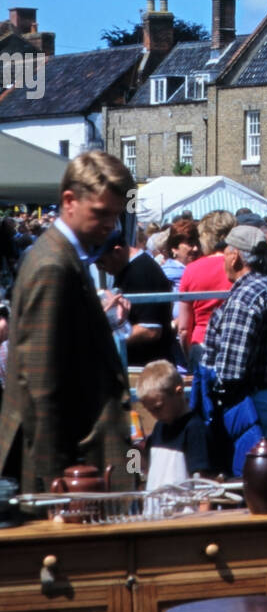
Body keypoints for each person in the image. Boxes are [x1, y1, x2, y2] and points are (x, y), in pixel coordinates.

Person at [0, 151, 134, 491]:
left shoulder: (63, 257)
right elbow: (40, 385)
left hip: (76, 463)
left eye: (116, 215)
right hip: (70, 471)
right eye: (101, 213)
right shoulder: (53, 266)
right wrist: (55, 484)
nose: (109, 225)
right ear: (69, 201)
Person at [204, 225, 267, 443]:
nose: (223, 260)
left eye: (225, 254)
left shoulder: (244, 298)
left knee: (244, 474)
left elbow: (230, 372)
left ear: (235, 257)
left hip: (247, 406)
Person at [98, 231, 175, 368]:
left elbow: (151, 330)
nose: (100, 268)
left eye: (101, 262)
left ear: (117, 251)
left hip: (149, 368)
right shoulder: (127, 269)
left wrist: (108, 340)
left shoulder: (141, 273)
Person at [138, 360, 211, 489]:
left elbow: (203, 483)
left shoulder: (194, 429)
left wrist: (204, 508)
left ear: (179, 392)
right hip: (157, 506)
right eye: (149, 410)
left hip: (183, 507)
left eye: (158, 408)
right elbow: (150, 469)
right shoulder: (159, 428)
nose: (154, 415)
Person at [177, 211, 235, 371]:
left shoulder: (191, 270)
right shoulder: (240, 268)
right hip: (234, 343)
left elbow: (183, 329)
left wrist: (189, 357)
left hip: (200, 343)